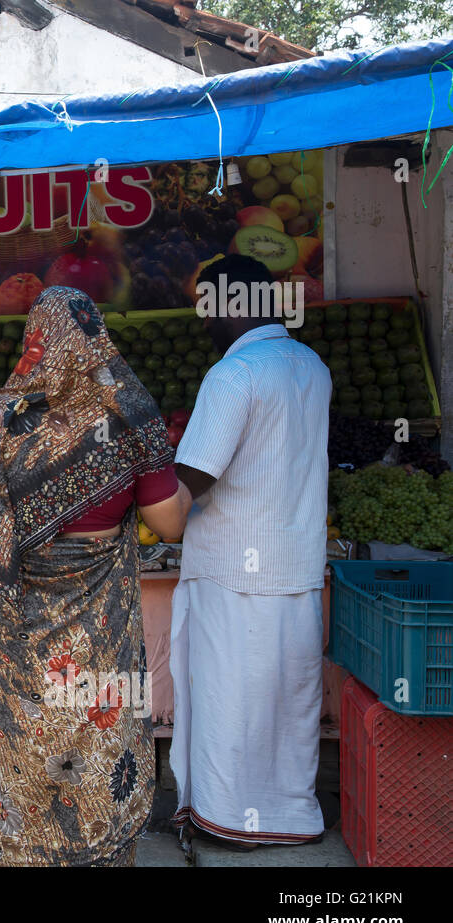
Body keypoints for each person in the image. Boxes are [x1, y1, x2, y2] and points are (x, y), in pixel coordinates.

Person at [0, 286, 190, 867]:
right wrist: (180, 475)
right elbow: (170, 524)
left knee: (20, 743)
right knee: (99, 742)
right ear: (97, 339)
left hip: (14, 636)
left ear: (35, 340)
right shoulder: (128, 412)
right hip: (99, 641)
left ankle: (21, 852)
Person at [169, 254, 331, 850]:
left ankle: (229, 819)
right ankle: (290, 816)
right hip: (295, 565)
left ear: (233, 306)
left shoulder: (233, 375)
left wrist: (151, 494)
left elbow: (196, 474)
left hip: (234, 569)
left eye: (207, 304)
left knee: (229, 700)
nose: (200, 317)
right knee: (287, 702)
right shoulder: (310, 365)